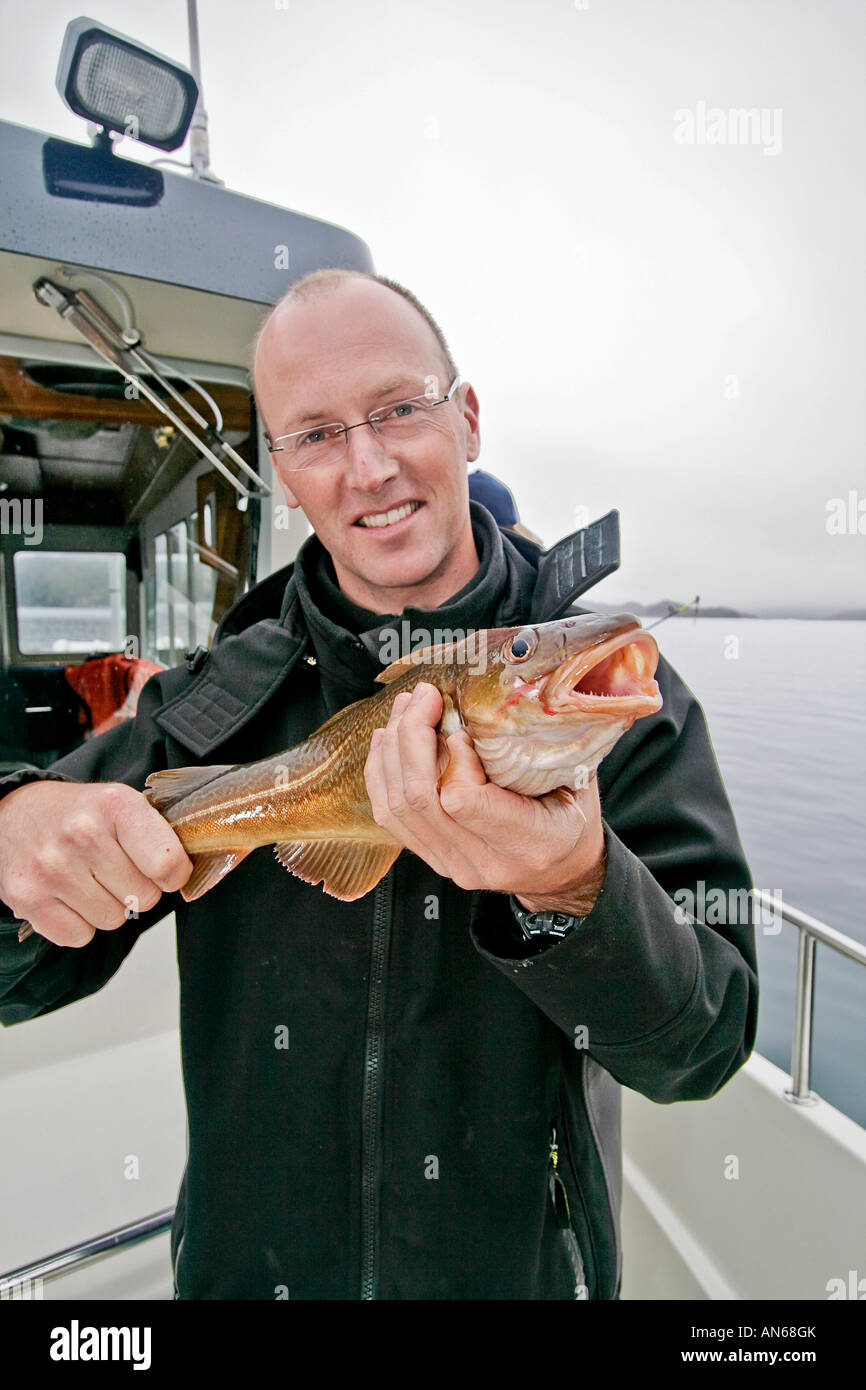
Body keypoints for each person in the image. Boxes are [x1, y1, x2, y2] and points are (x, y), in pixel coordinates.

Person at [0, 270, 758, 1300]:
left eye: (399, 409)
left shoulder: (616, 704)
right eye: (313, 434)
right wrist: (16, 822)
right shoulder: (209, 701)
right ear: (280, 469)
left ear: (468, 421)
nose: (366, 465)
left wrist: (576, 885)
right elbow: (17, 970)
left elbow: (700, 1046)